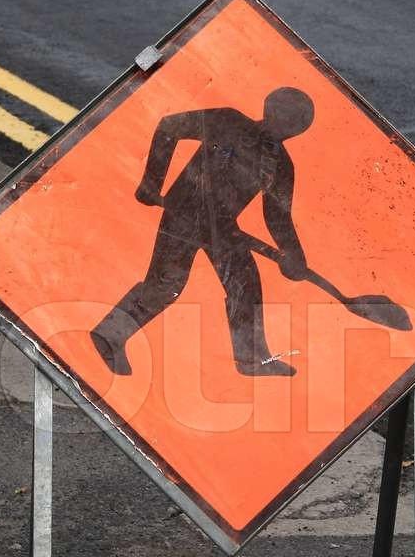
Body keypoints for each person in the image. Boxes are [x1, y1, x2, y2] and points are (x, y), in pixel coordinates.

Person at [90, 86, 316, 377]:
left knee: (245, 282)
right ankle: (109, 335)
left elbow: (277, 215)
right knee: (166, 284)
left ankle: (251, 358)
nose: (289, 125)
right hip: (184, 213)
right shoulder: (229, 120)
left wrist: (294, 254)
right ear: (269, 108)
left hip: (222, 226)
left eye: (296, 122)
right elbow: (169, 127)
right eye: (287, 116)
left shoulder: (281, 165)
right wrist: (152, 182)